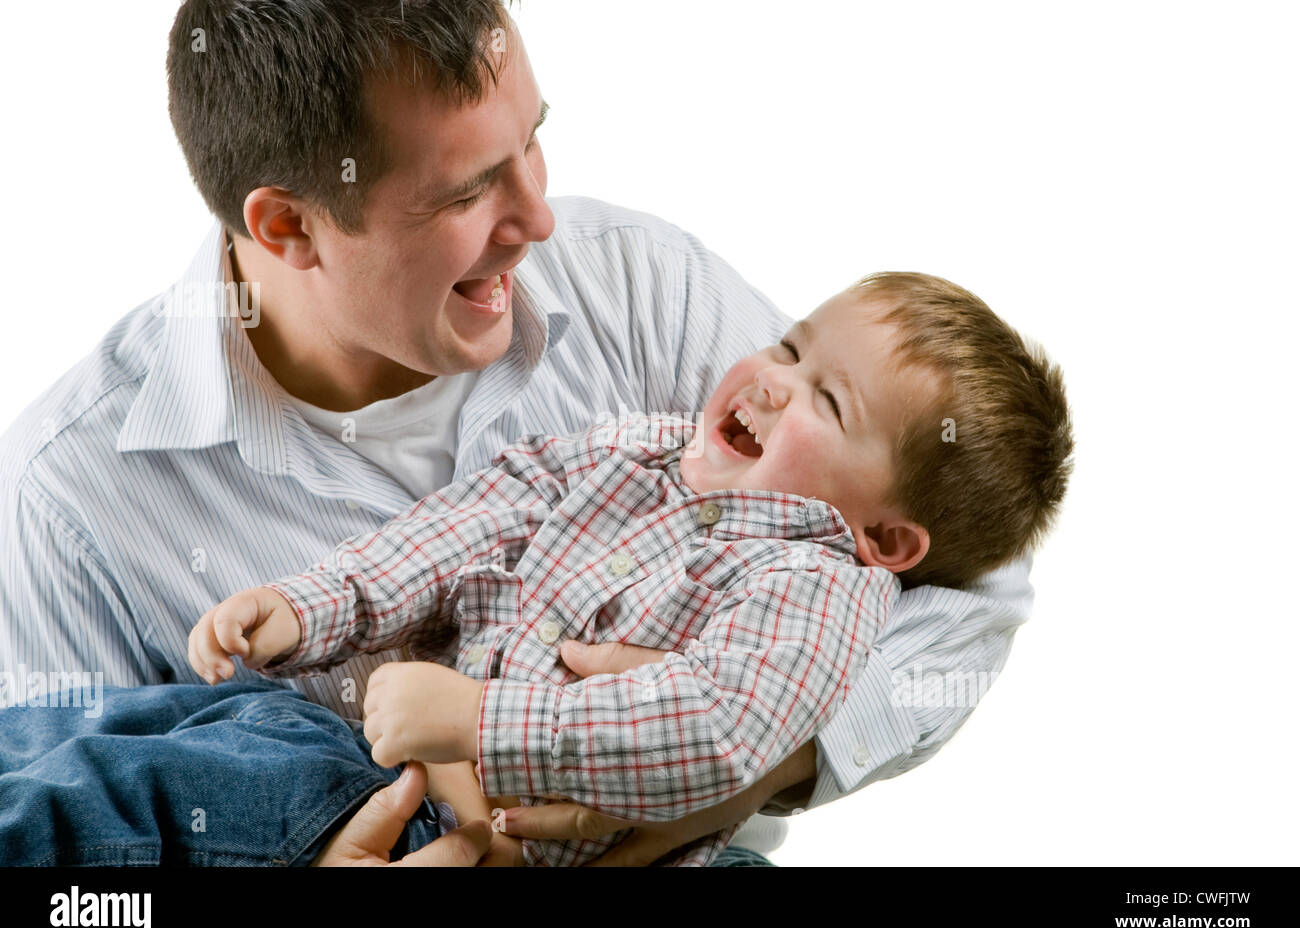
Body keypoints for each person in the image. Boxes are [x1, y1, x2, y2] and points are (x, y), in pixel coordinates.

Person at [0, 1, 1038, 866]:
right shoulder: (70, 495)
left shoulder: (636, 284)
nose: (539, 220)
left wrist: (749, 758)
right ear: (288, 226)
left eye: (532, 138)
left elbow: (971, 579)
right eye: (465, 190)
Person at [0, 273, 1072, 867]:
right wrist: (307, 604)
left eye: (825, 403)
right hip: (359, 760)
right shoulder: (639, 450)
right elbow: (473, 519)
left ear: (886, 539)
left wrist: (478, 717)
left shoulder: (818, 589)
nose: (770, 380)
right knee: (101, 725)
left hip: (422, 810)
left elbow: (717, 724)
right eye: (788, 348)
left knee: (137, 801)